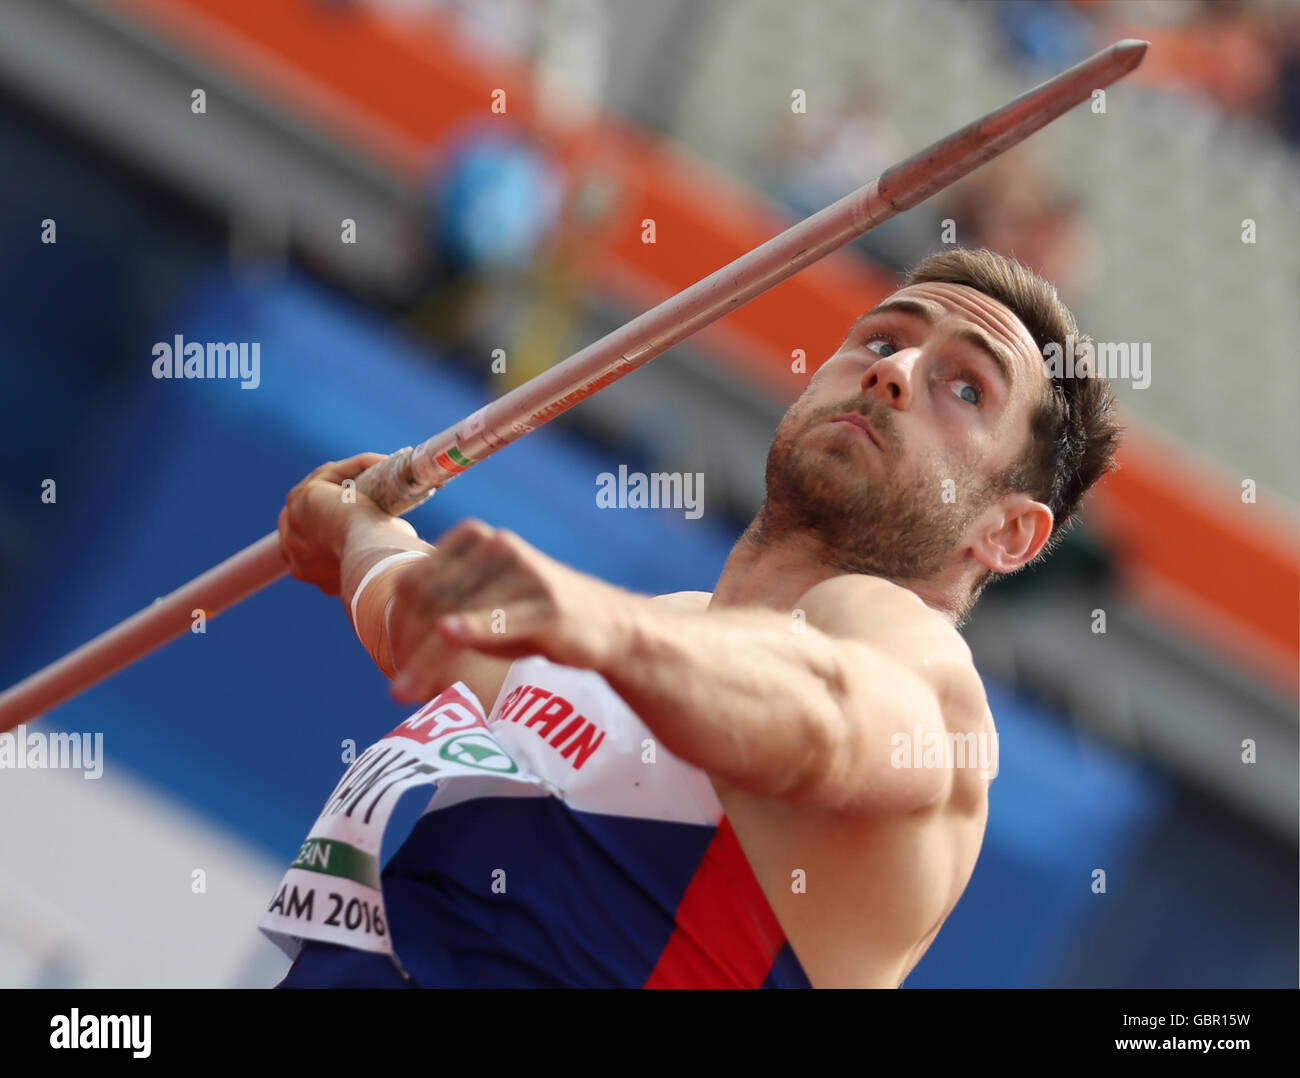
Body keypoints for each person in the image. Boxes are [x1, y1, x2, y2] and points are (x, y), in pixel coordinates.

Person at [271, 246, 1121, 988]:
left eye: (965, 387)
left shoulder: (920, 668)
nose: (892, 372)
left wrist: (600, 627)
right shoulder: (666, 630)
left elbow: (829, 717)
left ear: (1006, 532)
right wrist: (360, 539)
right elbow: (439, 634)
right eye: (882, 339)